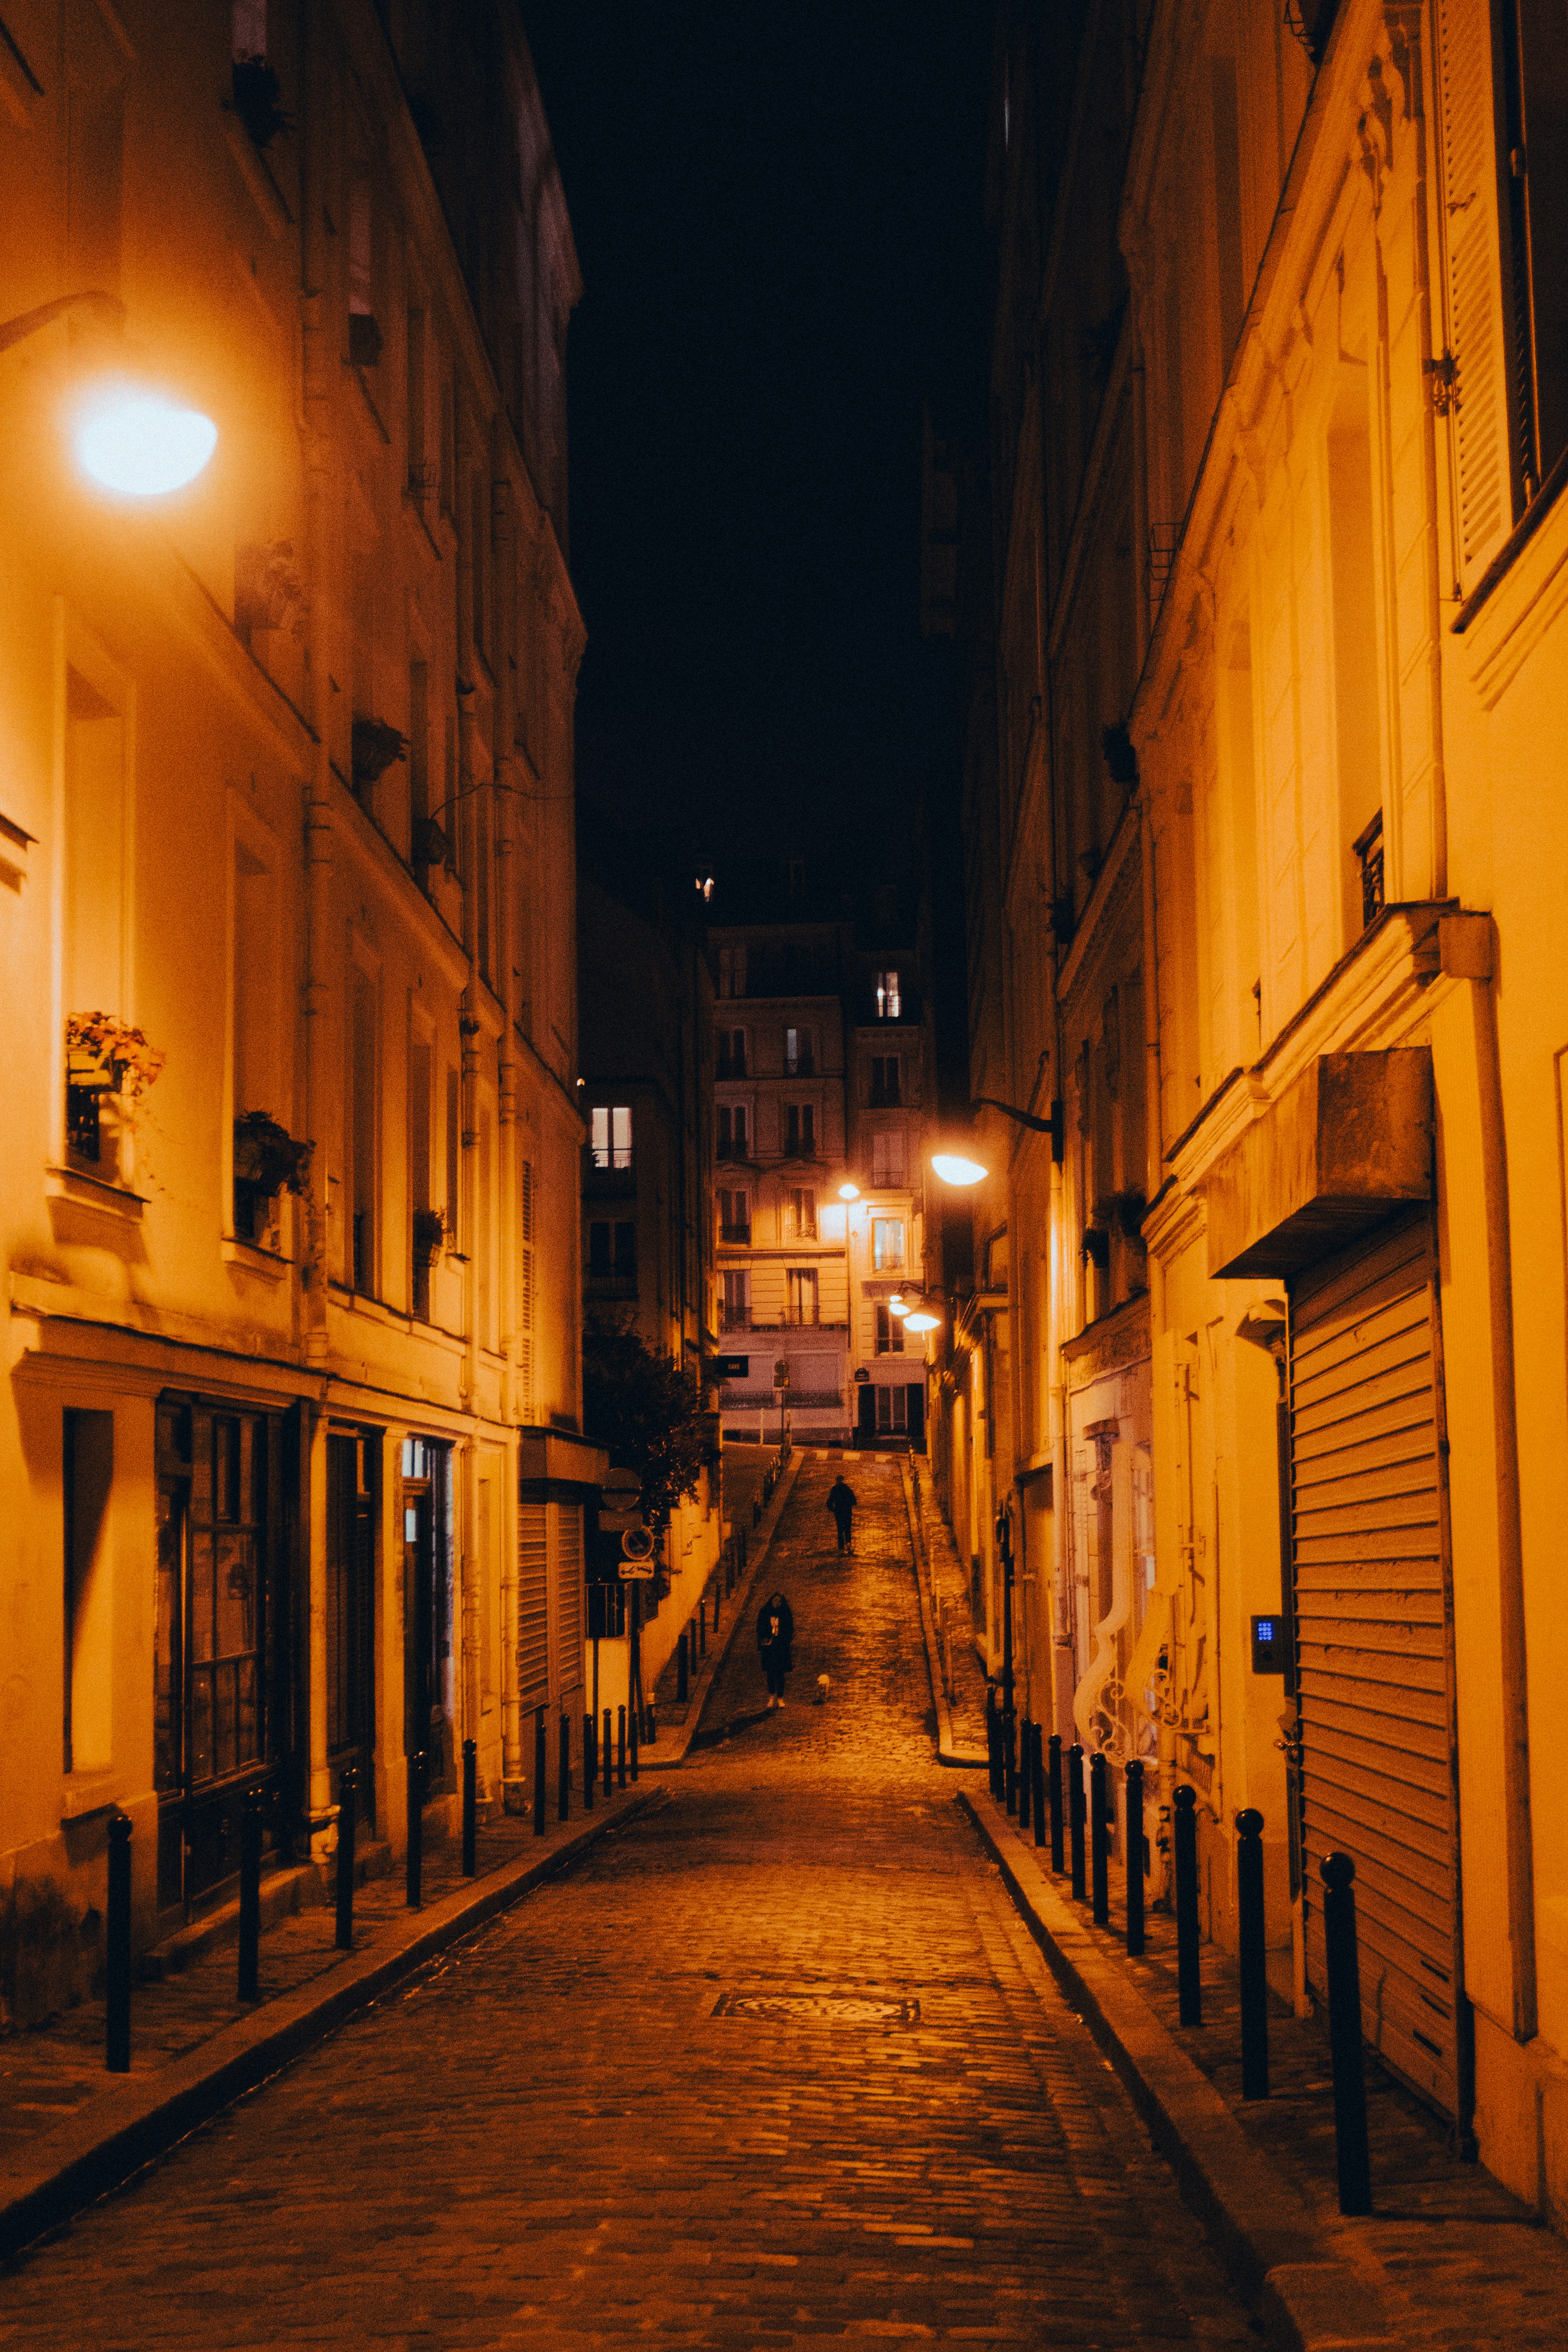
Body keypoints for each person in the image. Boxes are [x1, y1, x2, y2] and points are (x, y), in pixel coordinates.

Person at [757, 1590, 794, 1708]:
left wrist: (784, 1639)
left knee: (780, 1673)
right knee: (771, 1673)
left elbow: (789, 1629)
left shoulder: (785, 1614)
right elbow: (760, 1629)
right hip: (770, 1648)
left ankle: (780, 1698)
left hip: (781, 1647)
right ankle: (772, 1696)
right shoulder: (765, 1613)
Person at [826, 1474, 858, 1554]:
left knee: (840, 1530)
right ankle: (849, 1545)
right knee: (847, 1529)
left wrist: (833, 1510)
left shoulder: (835, 1489)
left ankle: (841, 1548)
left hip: (839, 1512)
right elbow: (854, 1501)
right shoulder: (847, 1489)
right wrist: (849, 1505)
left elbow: (830, 1502)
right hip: (847, 1511)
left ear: (837, 1481)